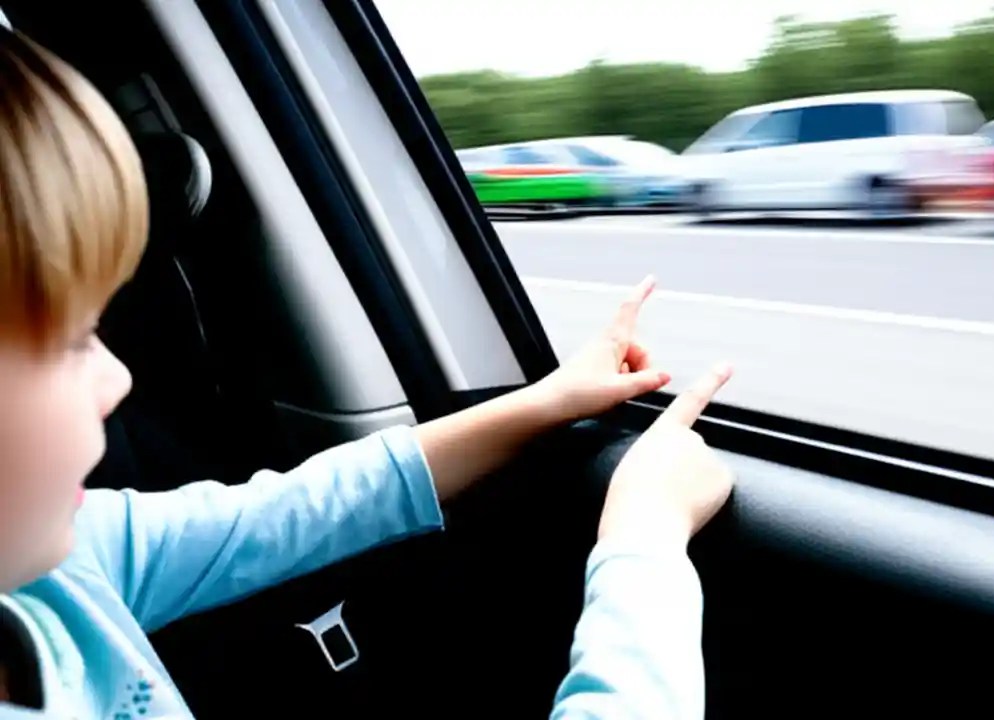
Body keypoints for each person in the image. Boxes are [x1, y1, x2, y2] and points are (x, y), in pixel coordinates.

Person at [0, 26, 732, 720]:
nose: (117, 378)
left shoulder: (60, 567)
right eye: (69, 340)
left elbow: (298, 510)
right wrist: (645, 541)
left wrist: (544, 402)